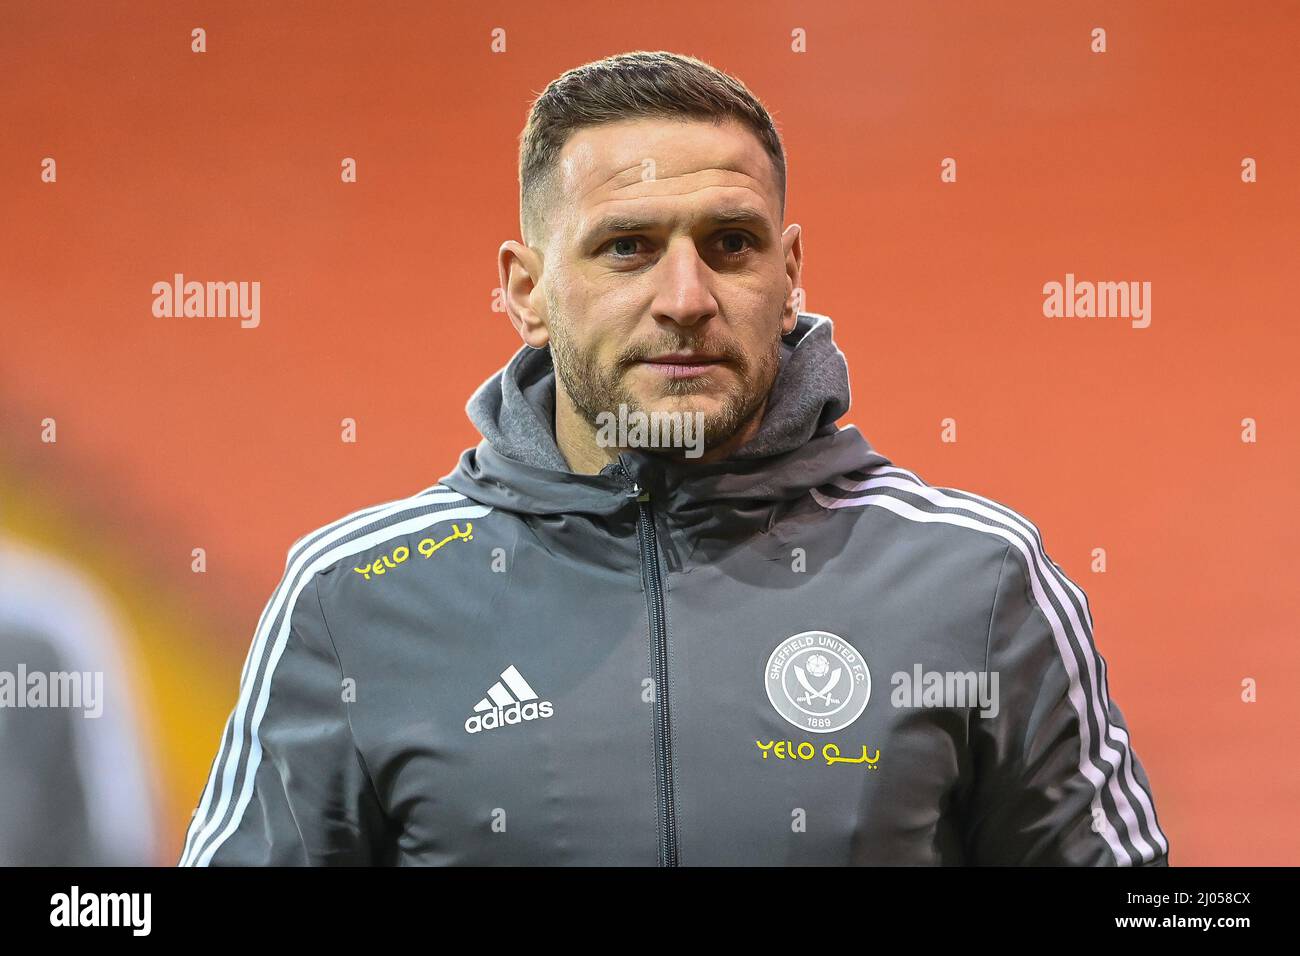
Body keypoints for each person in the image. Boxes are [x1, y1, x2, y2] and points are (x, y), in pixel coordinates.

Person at [180, 50, 1168, 866]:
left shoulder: (977, 579)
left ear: (789, 279)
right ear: (526, 290)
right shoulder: (355, 600)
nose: (686, 295)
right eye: (626, 247)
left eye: (730, 243)